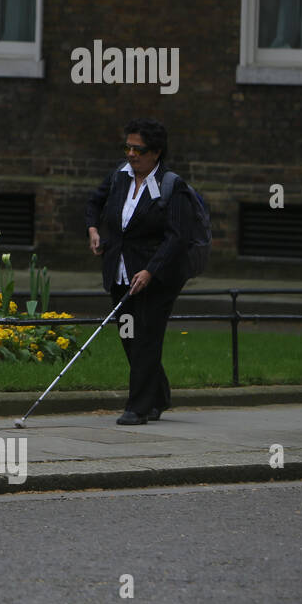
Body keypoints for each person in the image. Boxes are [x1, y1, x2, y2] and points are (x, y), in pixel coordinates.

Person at [85, 118, 189, 426]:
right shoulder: (119, 176)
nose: (131, 154)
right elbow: (94, 201)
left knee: (146, 339)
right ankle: (159, 396)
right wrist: (93, 229)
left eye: (138, 149)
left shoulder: (172, 186)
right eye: (127, 147)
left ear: (156, 153)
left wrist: (150, 271)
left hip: (156, 279)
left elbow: (177, 236)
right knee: (129, 336)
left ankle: (138, 408)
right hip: (120, 272)